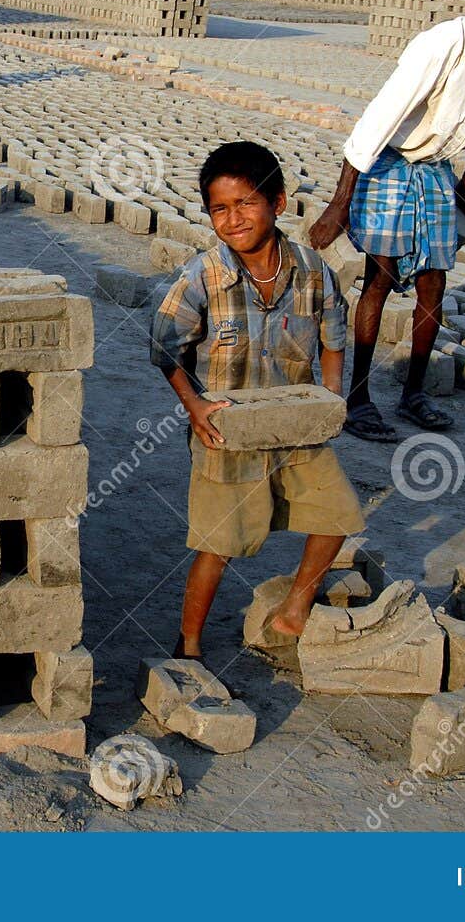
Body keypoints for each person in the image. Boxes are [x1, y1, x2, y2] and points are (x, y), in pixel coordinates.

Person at [308, 0, 465, 441]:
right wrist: (339, 202)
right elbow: (379, 119)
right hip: (390, 160)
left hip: (436, 169)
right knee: (381, 276)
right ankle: (359, 396)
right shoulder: (440, 46)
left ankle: (413, 393)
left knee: (435, 282)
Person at [152, 141, 365, 653]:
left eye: (246, 202)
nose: (234, 218)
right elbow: (164, 346)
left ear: (278, 202)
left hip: (296, 425)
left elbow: (335, 337)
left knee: (339, 515)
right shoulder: (203, 276)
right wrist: (195, 406)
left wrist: (330, 397)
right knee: (218, 544)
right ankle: (189, 643)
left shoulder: (314, 271)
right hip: (227, 430)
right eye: (220, 209)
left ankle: (295, 609)